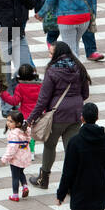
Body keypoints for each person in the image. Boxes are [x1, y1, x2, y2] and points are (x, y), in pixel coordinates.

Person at [26, 41, 89, 190]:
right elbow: (85, 93)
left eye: (51, 53)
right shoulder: (79, 68)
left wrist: (30, 119)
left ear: (57, 54)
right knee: (71, 150)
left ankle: (43, 179)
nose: (49, 56)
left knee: (49, 146)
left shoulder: (52, 71)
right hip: (76, 114)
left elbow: (43, 100)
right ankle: (71, 184)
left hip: (57, 115)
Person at [0, 110, 32, 202]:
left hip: (16, 158)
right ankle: (25, 186)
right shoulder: (25, 130)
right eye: (7, 120)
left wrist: (5, 159)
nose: (8, 123)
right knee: (21, 172)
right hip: (24, 156)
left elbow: (12, 149)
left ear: (18, 123)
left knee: (15, 176)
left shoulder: (13, 134)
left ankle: (15, 195)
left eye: (11, 121)